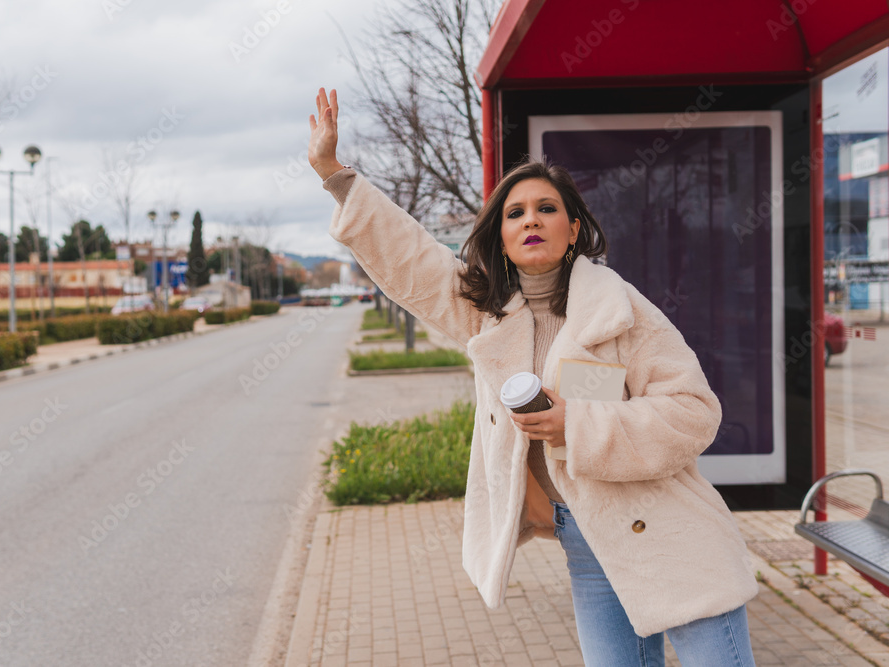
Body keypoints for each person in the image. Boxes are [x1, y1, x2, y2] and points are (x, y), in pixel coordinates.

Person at [308, 86, 759, 666]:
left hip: (670, 534)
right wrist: (334, 174)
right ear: (500, 235)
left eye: (547, 209)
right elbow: (412, 259)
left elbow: (695, 411)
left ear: (574, 229)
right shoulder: (489, 316)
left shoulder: (621, 310)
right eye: (515, 212)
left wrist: (579, 421)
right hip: (585, 544)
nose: (531, 221)